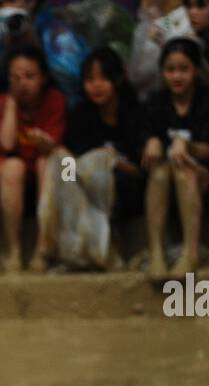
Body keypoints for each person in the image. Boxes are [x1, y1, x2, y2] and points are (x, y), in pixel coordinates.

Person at [141, 36, 209, 279]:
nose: (177, 76)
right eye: (170, 70)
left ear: (196, 71)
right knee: (159, 171)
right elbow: (145, 146)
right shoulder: (155, 104)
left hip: (205, 180)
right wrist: (150, 142)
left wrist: (188, 146)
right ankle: (156, 251)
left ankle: (191, 252)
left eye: (183, 69)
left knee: (183, 170)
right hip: (164, 181)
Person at [62, 47, 143, 262]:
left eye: (103, 78)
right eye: (90, 80)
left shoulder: (136, 113)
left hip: (129, 189)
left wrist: (111, 161)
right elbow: (70, 160)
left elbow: (142, 170)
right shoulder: (80, 114)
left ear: (117, 79)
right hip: (86, 186)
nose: (96, 86)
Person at [0, 45, 65, 273]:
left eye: (30, 76)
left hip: (55, 173)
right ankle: (12, 249)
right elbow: (6, 145)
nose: (22, 83)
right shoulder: (1, 104)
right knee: (11, 166)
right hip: (17, 177)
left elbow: (53, 146)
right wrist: (12, 104)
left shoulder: (55, 99)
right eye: (15, 77)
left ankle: (43, 248)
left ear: (43, 78)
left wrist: (46, 144)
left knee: (48, 161)